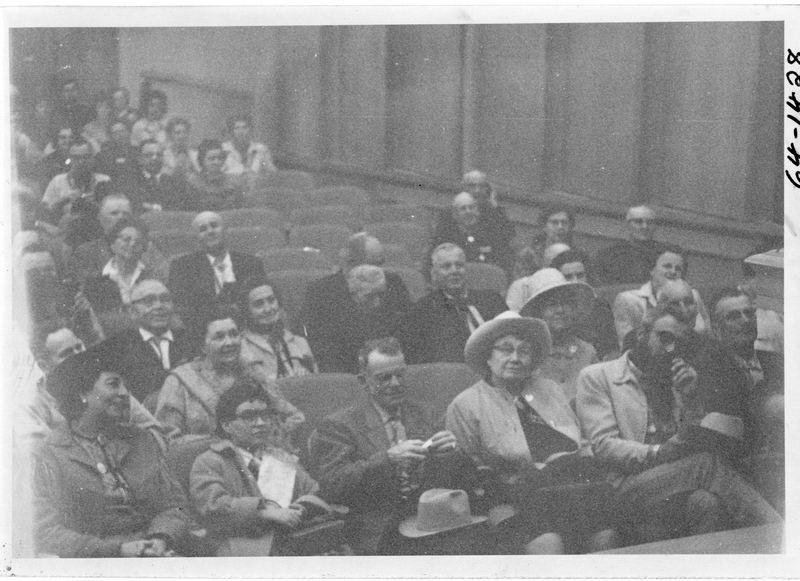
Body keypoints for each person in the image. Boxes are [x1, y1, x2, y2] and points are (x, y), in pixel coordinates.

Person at [576, 307, 783, 544]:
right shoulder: (597, 376)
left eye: (678, 342)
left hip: (674, 481)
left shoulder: (672, 377)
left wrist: (691, 399)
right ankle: (778, 535)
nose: (670, 348)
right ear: (643, 332)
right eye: (664, 337)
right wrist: (657, 452)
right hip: (622, 486)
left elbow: (688, 437)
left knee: (706, 501)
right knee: (706, 466)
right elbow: (603, 445)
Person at [446, 311, 618, 554]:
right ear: (488, 356)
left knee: (606, 536)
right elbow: (467, 476)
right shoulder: (465, 405)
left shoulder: (549, 389)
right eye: (506, 349)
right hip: (511, 500)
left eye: (524, 351)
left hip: (569, 490)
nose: (515, 358)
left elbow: (579, 443)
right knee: (549, 544)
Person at [32, 343, 209, 558]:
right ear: (82, 394)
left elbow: (175, 504)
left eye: (126, 385)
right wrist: (118, 550)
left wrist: (160, 538)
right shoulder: (47, 455)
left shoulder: (141, 439)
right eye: (113, 384)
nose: (124, 393)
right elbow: (46, 532)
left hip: (160, 550)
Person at [308, 337, 473, 555]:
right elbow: (332, 484)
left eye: (400, 375)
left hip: (433, 523)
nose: (395, 384)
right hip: (379, 529)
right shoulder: (339, 425)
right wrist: (387, 459)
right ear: (363, 381)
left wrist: (454, 453)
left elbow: (459, 478)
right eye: (383, 378)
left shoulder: (427, 414)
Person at [189, 376, 334, 555]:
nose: (261, 423)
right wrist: (264, 513)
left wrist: (297, 510)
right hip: (241, 549)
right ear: (226, 425)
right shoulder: (211, 461)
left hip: (292, 541)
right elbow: (212, 507)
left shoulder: (280, 456)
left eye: (264, 415)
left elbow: (312, 491)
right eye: (249, 416)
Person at [155, 306, 304, 438]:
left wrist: (265, 438)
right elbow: (167, 436)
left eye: (234, 334)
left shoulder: (253, 374)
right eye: (219, 337)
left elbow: (295, 417)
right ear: (202, 346)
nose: (230, 342)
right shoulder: (180, 380)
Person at [16, 320, 167, 442]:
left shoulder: (107, 387)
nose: (79, 356)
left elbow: (155, 432)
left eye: (79, 347)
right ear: (44, 366)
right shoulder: (30, 405)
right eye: (67, 353)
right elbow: (41, 462)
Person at [299, 233, 412, 374]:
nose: (379, 270)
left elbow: (409, 333)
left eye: (381, 263)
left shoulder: (394, 283)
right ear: (350, 263)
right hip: (344, 374)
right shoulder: (320, 292)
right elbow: (317, 346)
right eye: (373, 264)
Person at [168, 211, 265, 346]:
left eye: (214, 226)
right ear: (197, 237)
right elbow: (183, 311)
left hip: (250, 334)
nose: (210, 231)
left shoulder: (251, 263)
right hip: (205, 338)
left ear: (225, 230)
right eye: (203, 229)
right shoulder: (183, 267)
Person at [403, 243, 506, 364]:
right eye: (446, 266)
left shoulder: (492, 299)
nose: (454, 271)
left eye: (459, 265)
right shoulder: (421, 311)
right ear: (434, 273)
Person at [100, 280, 194, 409]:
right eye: (149, 301)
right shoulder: (119, 347)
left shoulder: (190, 340)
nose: (159, 306)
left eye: (165, 300)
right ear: (133, 311)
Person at [518, 269, 598, 406]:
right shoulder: (527, 355)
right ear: (538, 312)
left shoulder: (587, 351)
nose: (560, 310)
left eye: (565, 303)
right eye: (552, 304)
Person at [612, 245, 710, 347]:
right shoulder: (628, 300)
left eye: (678, 268)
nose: (673, 272)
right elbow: (626, 344)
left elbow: (706, 334)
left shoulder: (693, 296)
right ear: (652, 269)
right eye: (667, 266)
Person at [69, 193, 167, 285]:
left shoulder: (148, 249)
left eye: (125, 214)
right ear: (100, 218)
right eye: (114, 213)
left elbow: (162, 280)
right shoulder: (86, 253)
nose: (121, 218)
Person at [238, 275, 318, 379]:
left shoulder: (299, 342)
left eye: (271, 300)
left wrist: (307, 376)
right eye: (259, 304)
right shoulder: (242, 346)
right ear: (247, 311)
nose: (268, 309)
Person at [81, 217, 167, 311]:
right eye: (126, 239)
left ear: (144, 247)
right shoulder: (96, 277)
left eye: (138, 241)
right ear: (112, 244)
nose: (132, 244)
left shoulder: (152, 276)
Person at [550, 249, 618, 360]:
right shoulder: (552, 309)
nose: (575, 281)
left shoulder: (600, 306)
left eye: (580, 275)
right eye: (568, 277)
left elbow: (612, 349)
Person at [431, 191, 514, 276]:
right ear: (455, 215)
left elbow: (502, 261)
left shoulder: (489, 235)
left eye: (471, 207)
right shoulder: (447, 237)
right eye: (463, 208)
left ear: (477, 211)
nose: (468, 212)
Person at [39, 140, 110, 233]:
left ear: (92, 158)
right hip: (64, 231)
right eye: (76, 158)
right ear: (69, 159)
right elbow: (45, 211)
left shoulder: (104, 180)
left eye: (86, 157)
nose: (81, 161)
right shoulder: (58, 181)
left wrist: (86, 200)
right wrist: (64, 199)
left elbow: (110, 212)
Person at [593, 205, 667, 286]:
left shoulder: (665, 254)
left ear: (655, 226)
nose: (645, 227)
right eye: (638, 222)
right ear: (627, 225)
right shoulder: (608, 255)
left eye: (650, 222)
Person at [118, 139, 189, 211]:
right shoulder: (130, 181)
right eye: (149, 155)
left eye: (159, 155)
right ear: (140, 159)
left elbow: (183, 205)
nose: (155, 158)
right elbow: (132, 205)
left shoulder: (175, 182)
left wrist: (153, 207)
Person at [185, 139, 247, 211]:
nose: (216, 162)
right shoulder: (193, 183)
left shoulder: (233, 182)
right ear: (202, 160)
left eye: (219, 158)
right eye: (211, 159)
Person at [221, 113, 276, 187]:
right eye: (237, 128)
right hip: (229, 191)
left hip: (255, 191)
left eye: (245, 127)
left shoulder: (260, 149)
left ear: (250, 130)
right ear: (231, 131)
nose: (241, 131)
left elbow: (271, 173)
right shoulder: (223, 149)